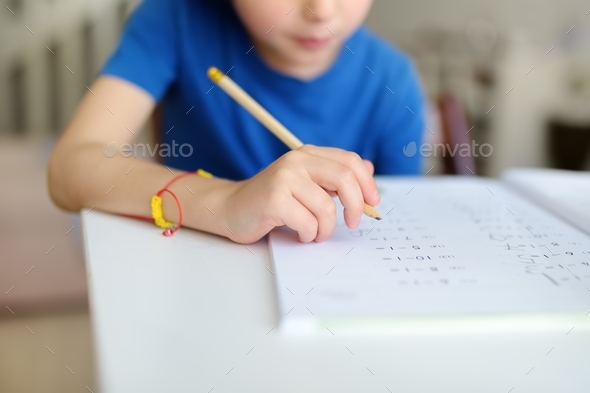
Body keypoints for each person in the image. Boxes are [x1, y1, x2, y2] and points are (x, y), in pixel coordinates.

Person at [48, 0, 424, 244]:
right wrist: (225, 203)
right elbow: (69, 171)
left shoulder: (395, 81)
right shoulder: (174, 20)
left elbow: (391, 227)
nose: (322, 10)